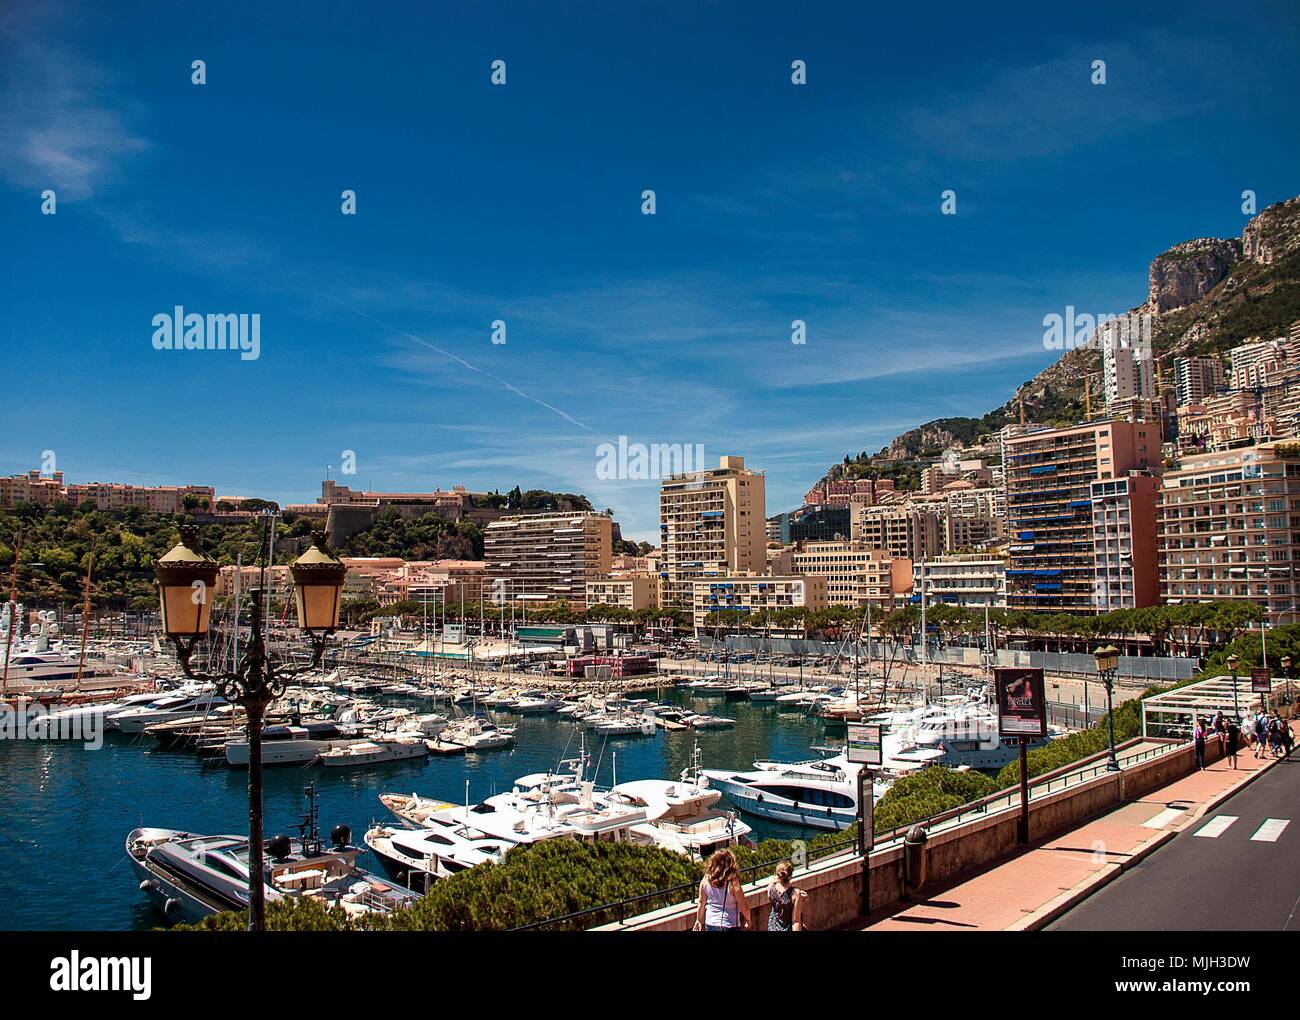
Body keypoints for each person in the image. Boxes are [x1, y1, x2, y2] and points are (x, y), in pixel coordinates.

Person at [693, 848, 750, 931]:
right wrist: (748, 919)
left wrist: (699, 920)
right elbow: (743, 904)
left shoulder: (705, 879)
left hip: (710, 923)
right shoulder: (733, 882)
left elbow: (701, 903)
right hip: (729, 924)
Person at [766, 860, 807, 932]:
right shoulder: (795, 893)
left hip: (772, 927)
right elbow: (796, 921)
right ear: (790, 875)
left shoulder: (771, 887)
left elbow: (774, 904)